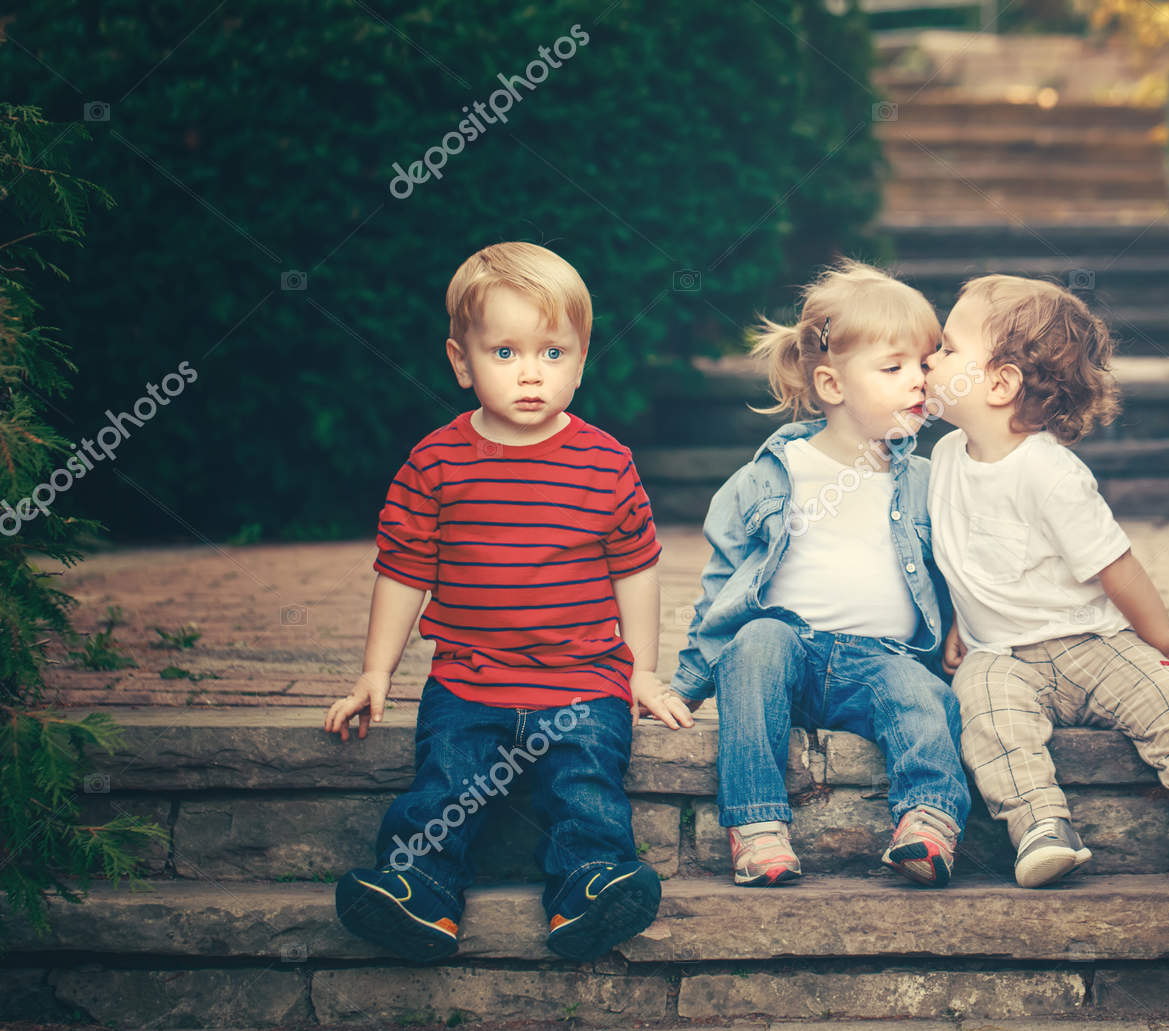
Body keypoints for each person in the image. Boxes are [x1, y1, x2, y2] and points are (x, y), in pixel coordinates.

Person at [324, 242, 691, 963]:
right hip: (469, 681)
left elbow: (637, 572)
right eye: (505, 352)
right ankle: (417, 893)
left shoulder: (605, 463)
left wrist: (641, 672)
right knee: (443, 786)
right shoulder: (435, 463)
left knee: (586, 784)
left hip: (585, 684)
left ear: (583, 360)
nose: (531, 372)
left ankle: (591, 887)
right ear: (461, 362)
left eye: (554, 353)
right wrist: (376, 674)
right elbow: (403, 571)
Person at [927, 274, 1169, 886]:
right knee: (985, 718)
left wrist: (1165, 646)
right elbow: (969, 555)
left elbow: (1119, 569)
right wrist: (959, 617)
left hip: (1096, 644)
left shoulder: (1050, 474)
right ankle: (1039, 827)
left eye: (948, 348)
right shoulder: (944, 462)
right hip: (1000, 656)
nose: (930, 357)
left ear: (1001, 383)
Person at [670, 261, 971, 887]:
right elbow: (723, 586)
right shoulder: (769, 478)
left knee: (925, 697)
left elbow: (960, 566)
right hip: (789, 649)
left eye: (924, 363)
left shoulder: (928, 480)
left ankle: (928, 820)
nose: (918, 381)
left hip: (882, 660)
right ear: (832, 384)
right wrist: (687, 684)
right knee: (752, 645)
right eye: (893, 368)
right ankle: (756, 826)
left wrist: (967, 630)